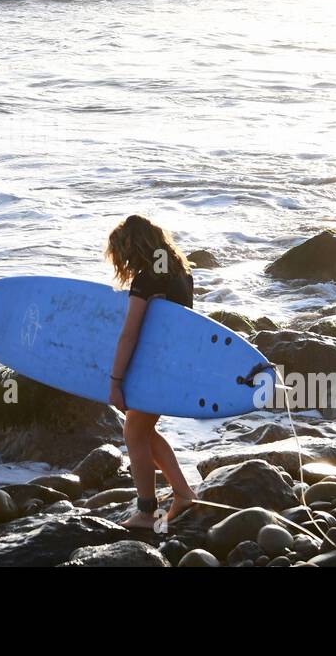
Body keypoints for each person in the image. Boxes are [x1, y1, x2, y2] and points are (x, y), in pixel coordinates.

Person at [105, 214, 199, 530]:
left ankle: (147, 512)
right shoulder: (180, 273)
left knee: (134, 432)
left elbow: (129, 333)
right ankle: (184, 493)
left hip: (158, 369)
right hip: (176, 363)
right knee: (142, 429)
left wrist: (116, 381)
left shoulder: (147, 280)